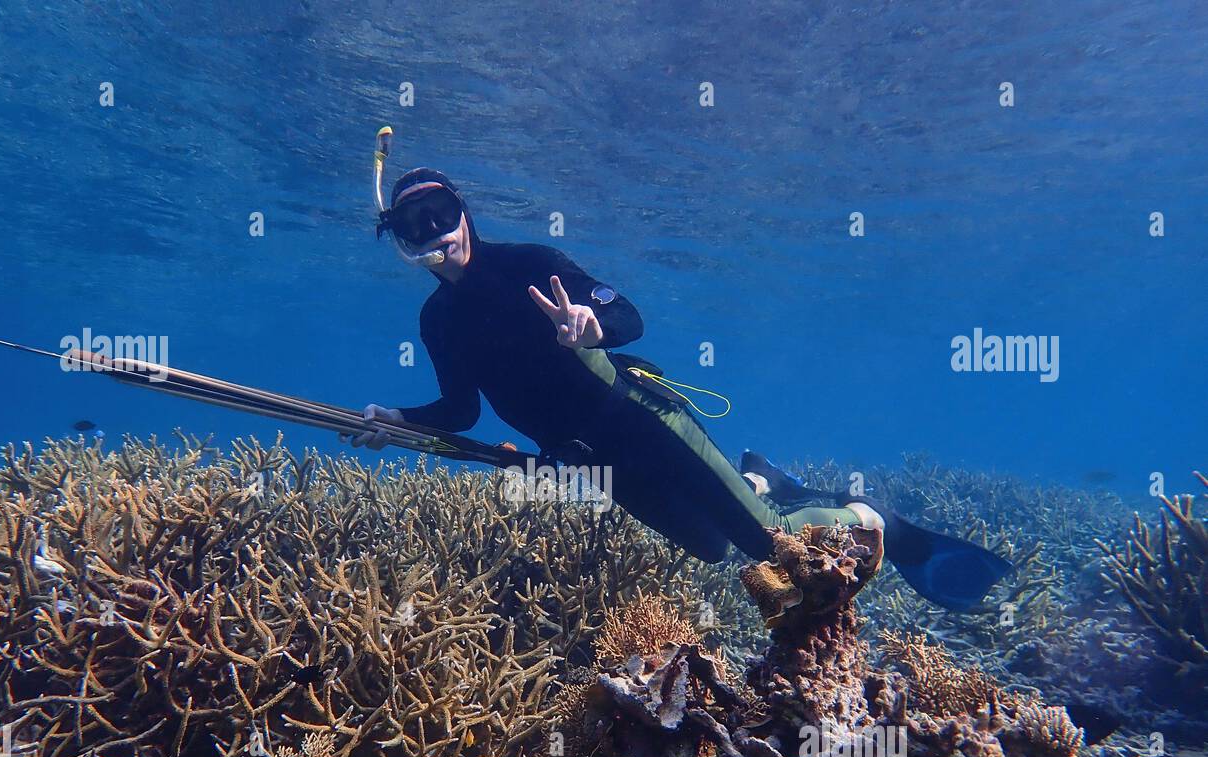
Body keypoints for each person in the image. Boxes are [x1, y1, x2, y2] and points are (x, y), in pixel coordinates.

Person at [351, 167, 1010, 609]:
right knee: (711, 546)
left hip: (640, 420)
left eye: (442, 213)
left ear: (463, 211)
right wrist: (399, 419)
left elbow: (630, 317)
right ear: (404, 244)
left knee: (767, 544)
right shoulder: (437, 320)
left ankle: (873, 519)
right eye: (415, 227)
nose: (437, 234)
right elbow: (461, 410)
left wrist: (590, 326)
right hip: (591, 463)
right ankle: (761, 482)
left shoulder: (531, 264)